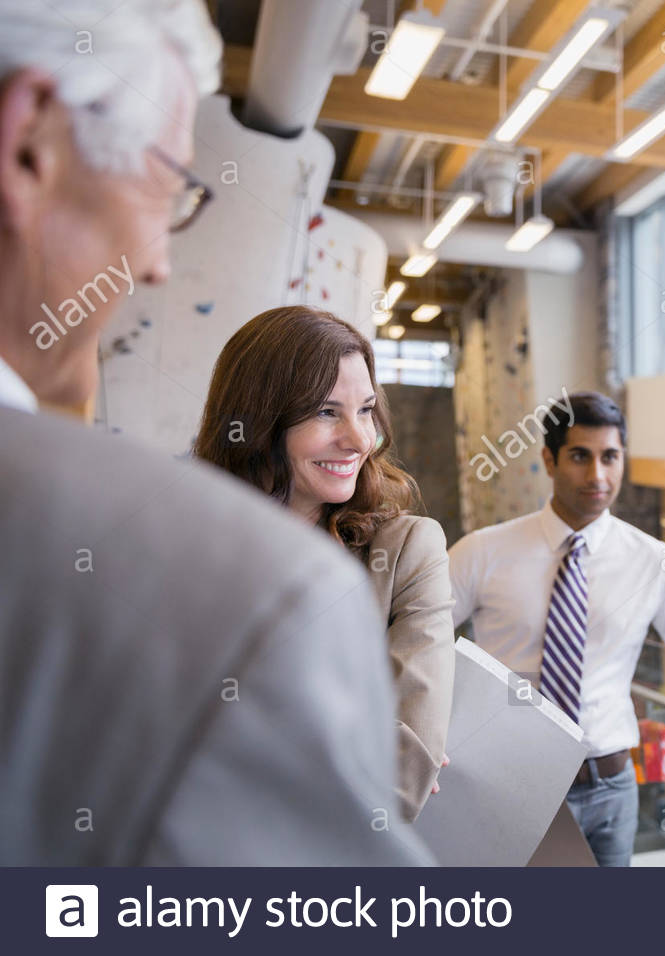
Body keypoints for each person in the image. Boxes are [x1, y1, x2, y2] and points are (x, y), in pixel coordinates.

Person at [0, 0, 430, 865]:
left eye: (365, 409)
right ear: (28, 146)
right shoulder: (254, 590)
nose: (158, 260)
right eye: (167, 188)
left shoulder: (384, 550)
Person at [448, 391, 665, 866]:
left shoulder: (654, 563)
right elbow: (418, 647)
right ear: (549, 459)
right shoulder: (483, 552)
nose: (597, 476)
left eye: (611, 457)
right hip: (510, 784)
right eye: (579, 457)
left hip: (611, 788)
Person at [194, 305, 455, 822]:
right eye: (325, 412)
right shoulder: (183, 546)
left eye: (365, 410)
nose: (359, 440)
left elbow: (401, 776)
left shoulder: (406, 553)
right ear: (259, 419)